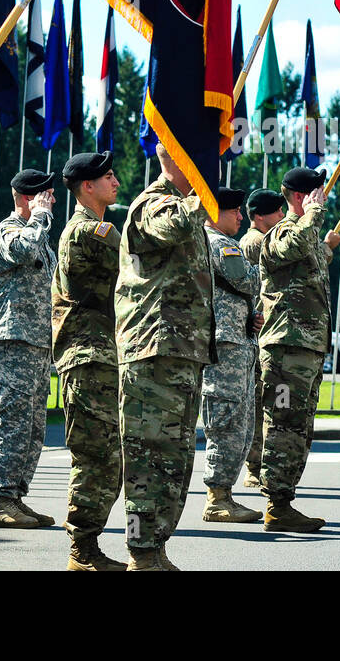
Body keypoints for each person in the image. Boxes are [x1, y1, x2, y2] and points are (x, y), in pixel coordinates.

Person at [114, 143, 214, 570]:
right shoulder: (150, 204)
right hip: (152, 350)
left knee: (174, 461)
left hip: (182, 352)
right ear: (176, 158)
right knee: (144, 462)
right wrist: (202, 197)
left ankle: (155, 548)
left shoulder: (184, 206)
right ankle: (139, 550)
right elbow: (170, 227)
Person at [52, 151, 126, 570]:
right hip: (88, 357)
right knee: (95, 454)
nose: (115, 182)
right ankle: (81, 549)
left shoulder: (94, 229)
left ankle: (88, 546)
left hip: (100, 357)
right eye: (108, 177)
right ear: (87, 187)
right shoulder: (89, 232)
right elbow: (138, 260)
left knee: (106, 455)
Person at [257, 167, 340, 529]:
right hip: (285, 348)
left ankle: (284, 500)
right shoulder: (280, 233)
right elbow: (294, 245)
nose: (322, 198)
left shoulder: (307, 235)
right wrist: (314, 215)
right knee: (282, 424)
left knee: (300, 427)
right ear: (298, 197)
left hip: (307, 348)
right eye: (315, 194)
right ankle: (276, 503)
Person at [0, 169, 57, 529]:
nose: (53, 201)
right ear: (29, 198)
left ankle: (16, 496)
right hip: (12, 342)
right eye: (48, 195)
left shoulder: (41, 237)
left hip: (38, 345)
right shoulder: (7, 232)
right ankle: (1, 500)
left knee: (33, 425)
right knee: (13, 421)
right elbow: (21, 250)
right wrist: (40, 217)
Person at [201, 187, 264, 523]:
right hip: (224, 346)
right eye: (234, 211)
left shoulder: (223, 243)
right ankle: (217, 498)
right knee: (226, 421)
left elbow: (238, 291)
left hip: (235, 340)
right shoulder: (219, 243)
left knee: (239, 422)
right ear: (215, 213)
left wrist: (248, 314)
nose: (241, 217)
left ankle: (225, 493)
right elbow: (245, 278)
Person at [240, 188, 286, 489]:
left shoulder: (256, 240)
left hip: (259, 330)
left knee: (261, 402)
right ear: (258, 216)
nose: (281, 216)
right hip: (258, 332)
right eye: (276, 212)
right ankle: (255, 466)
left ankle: (257, 464)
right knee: (259, 404)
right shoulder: (257, 241)